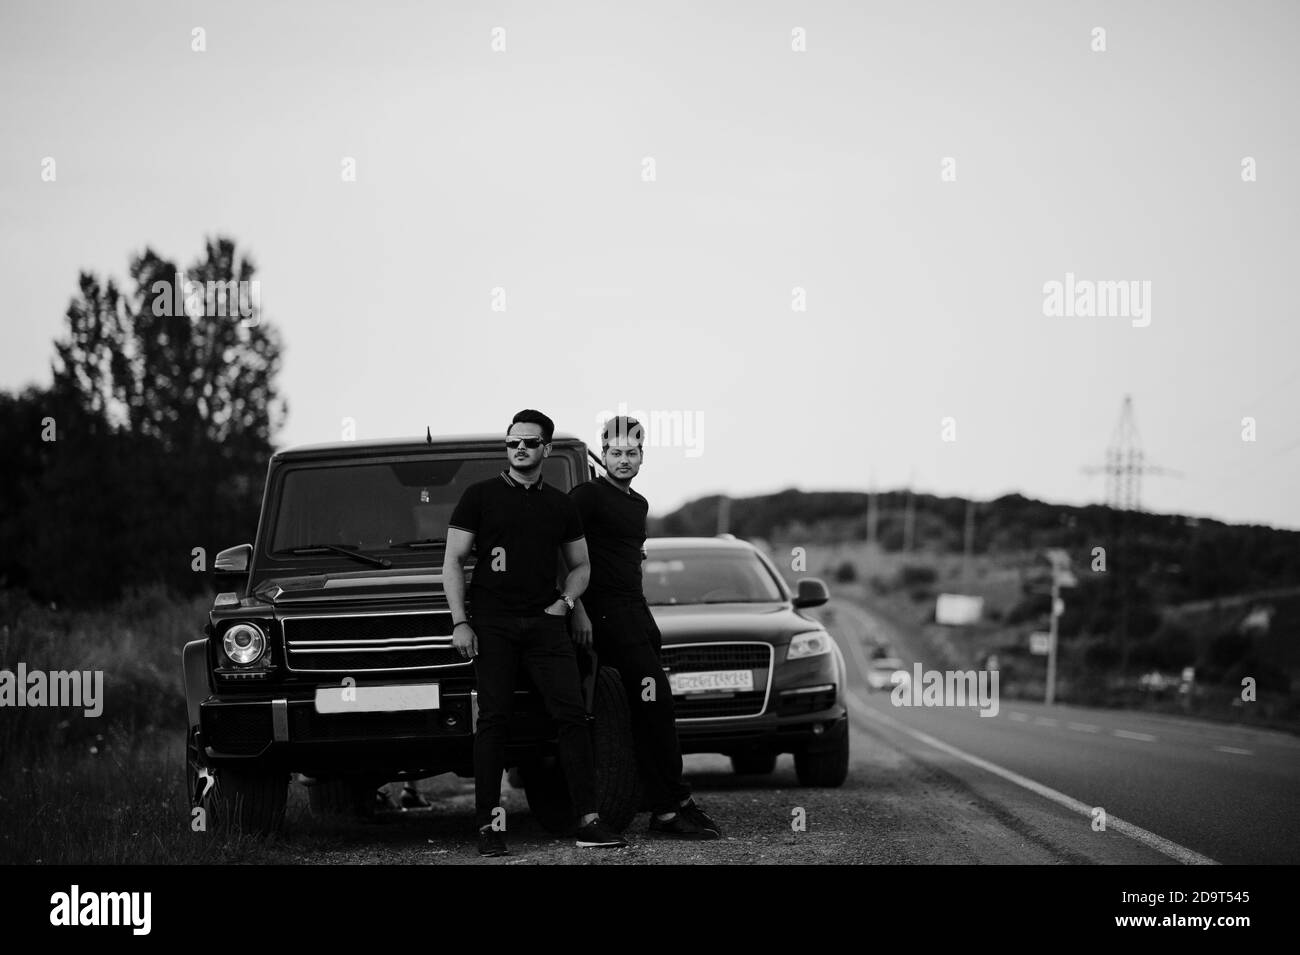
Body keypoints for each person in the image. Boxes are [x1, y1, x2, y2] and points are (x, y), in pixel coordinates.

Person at [443, 409, 627, 856]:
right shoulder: (479, 496)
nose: (519, 448)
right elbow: (454, 561)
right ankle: (488, 828)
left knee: (572, 718)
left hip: (546, 625)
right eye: (512, 442)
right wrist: (460, 621)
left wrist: (564, 605)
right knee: (493, 721)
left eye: (528, 442)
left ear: (545, 447)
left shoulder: (560, 505)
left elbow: (581, 565)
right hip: (493, 624)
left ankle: (588, 821)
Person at [569, 415, 721, 839]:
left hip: (636, 613)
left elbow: (628, 556)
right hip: (604, 617)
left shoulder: (638, 503)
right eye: (615, 453)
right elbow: (562, 553)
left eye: (631, 453)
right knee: (653, 703)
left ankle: (669, 804)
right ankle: (671, 807)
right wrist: (576, 608)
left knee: (654, 710)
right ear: (604, 453)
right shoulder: (587, 496)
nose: (623, 460)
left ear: (642, 456)